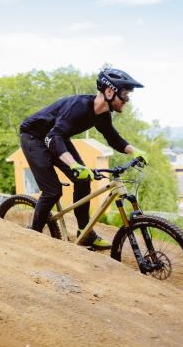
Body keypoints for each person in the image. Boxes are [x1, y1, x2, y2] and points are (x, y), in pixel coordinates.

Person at [18, 67, 149, 249]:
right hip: (34, 137)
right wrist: (73, 165)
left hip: (56, 138)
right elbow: (51, 137)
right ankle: (35, 235)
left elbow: (112, 137)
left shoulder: (103, 115)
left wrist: (134, 151)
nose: (127, 100)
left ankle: (84, 232)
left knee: (84, 179)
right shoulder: (79, 107)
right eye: (125, 95)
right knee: (53, 190)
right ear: (109, 91)